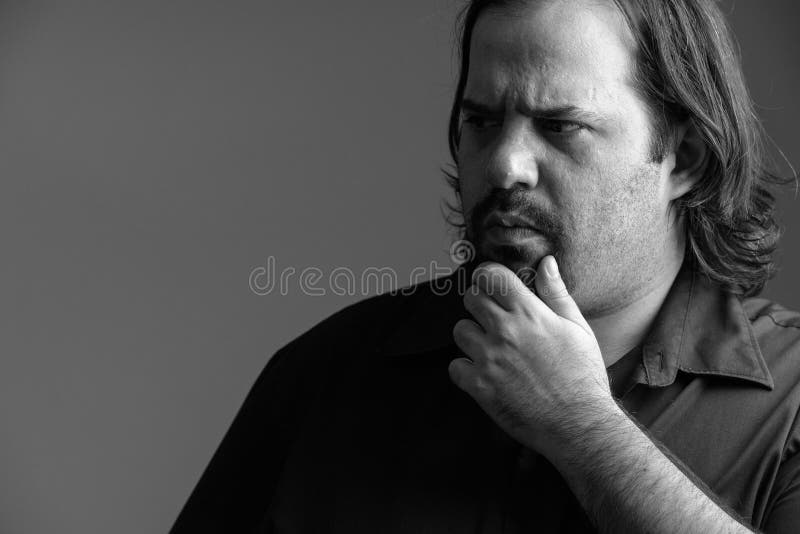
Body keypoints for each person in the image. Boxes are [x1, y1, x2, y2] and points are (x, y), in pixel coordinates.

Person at [171, 0, 800, 532]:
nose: (503, 166)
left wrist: (582, 427)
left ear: (683, 158)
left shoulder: (791, 405)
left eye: (560, 126)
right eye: (482, 121)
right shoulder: (322, 376)